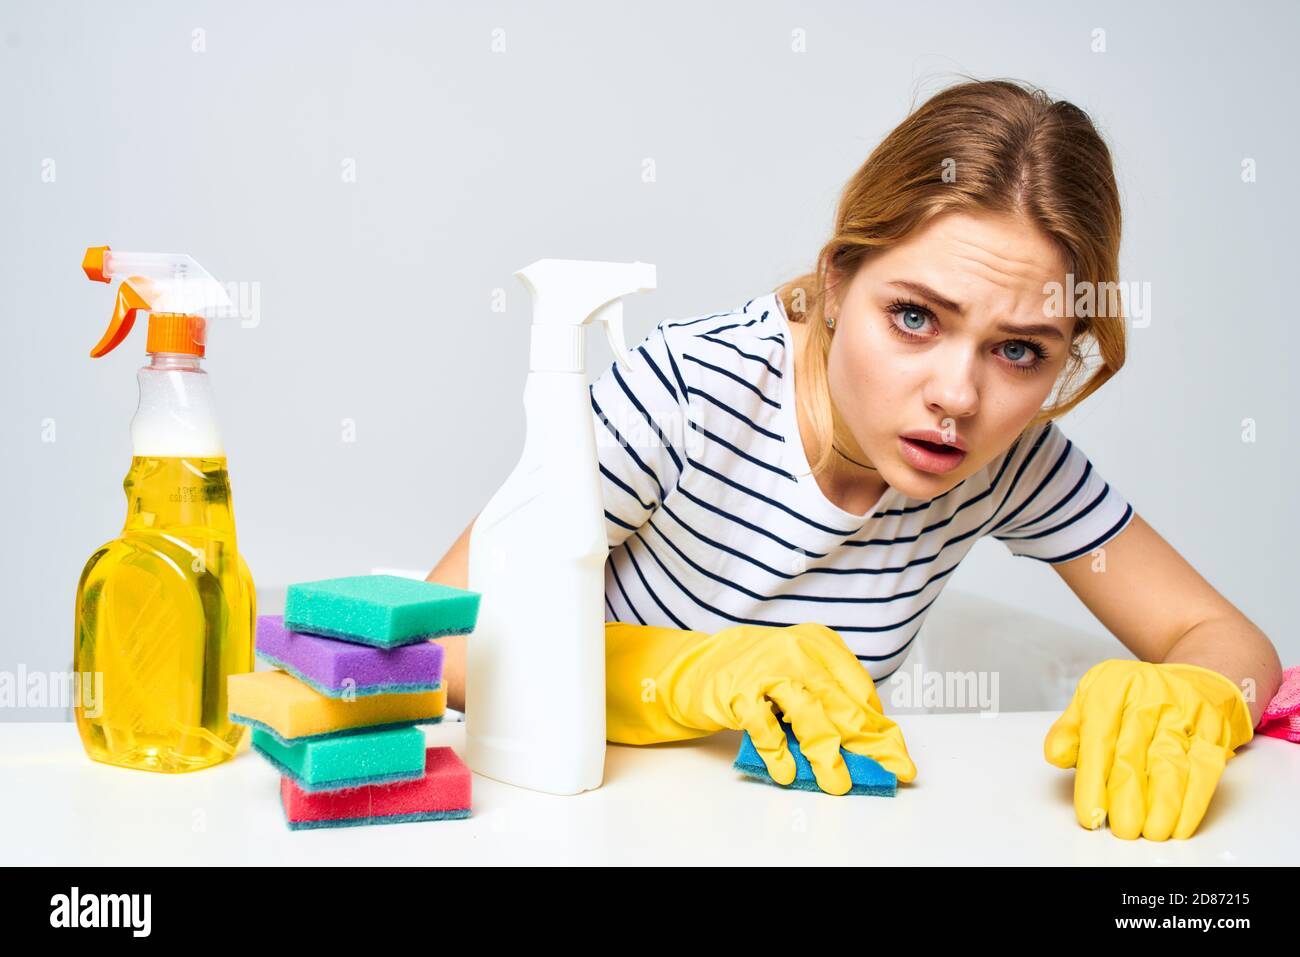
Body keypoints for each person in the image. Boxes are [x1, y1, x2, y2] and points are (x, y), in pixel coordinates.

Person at [429, 78, 1282, 841]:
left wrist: (1199, 695)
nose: (958, 396)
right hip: (583, 827)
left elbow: (1227, 640)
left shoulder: (1007, 460)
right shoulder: (689, 393)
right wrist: (692, 673)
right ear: (837, 281)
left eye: (1020, 350)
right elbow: (435, 643)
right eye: (915, 316)